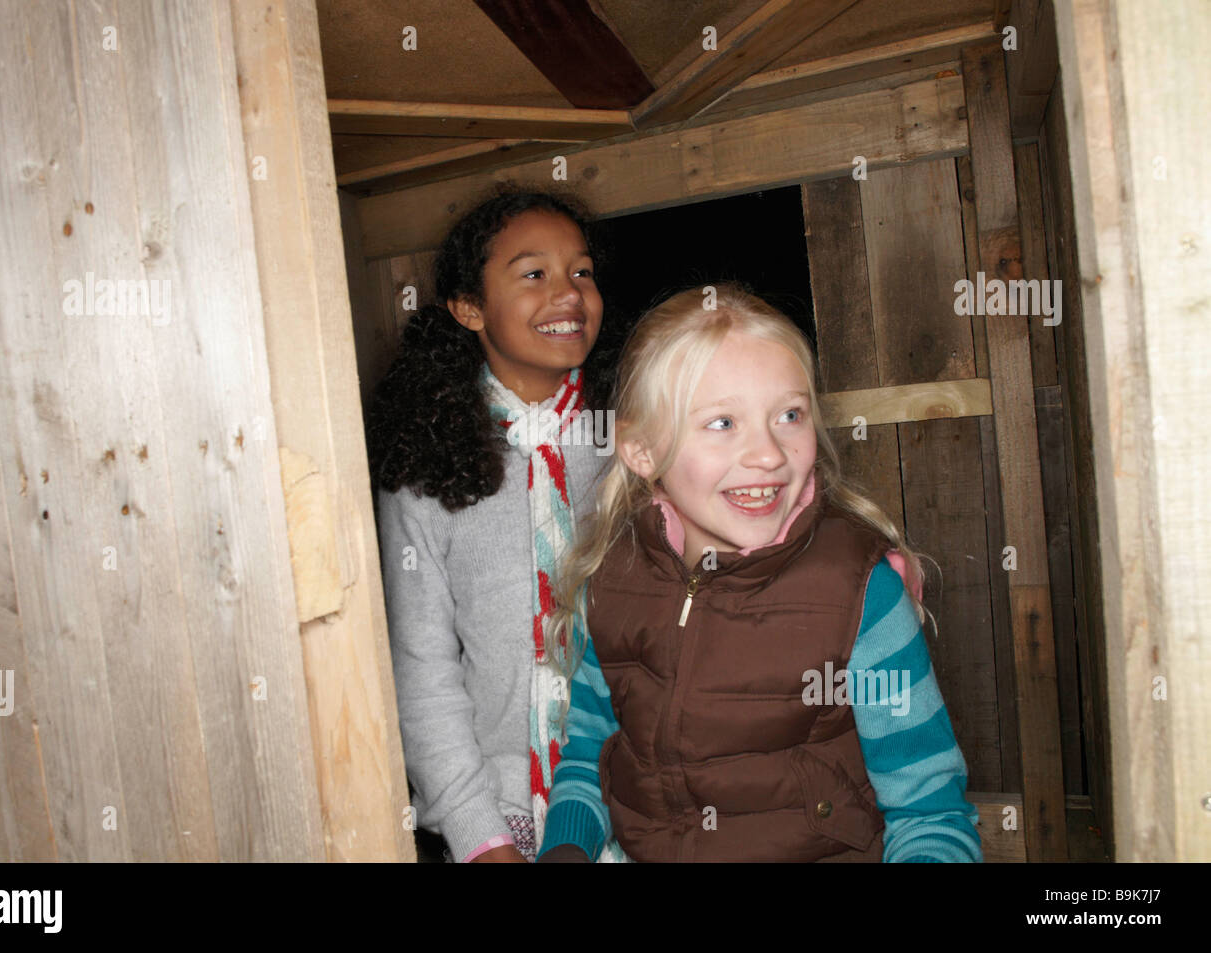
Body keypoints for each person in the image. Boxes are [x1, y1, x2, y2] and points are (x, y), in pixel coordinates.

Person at [536, 284, 983, 863]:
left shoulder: (861, 593)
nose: (770, 454)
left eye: (789, 416)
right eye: (723, 422)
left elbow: (929, 812)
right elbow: (590, 753)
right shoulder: (614, 581)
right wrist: (566, 848)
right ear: (642, 450)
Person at [368, 186, 626, 862]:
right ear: (469, 306)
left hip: (639, 790)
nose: (569, 292)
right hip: (499, 805)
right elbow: (420, 666)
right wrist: (479, 837)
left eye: (582, 271)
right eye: (535, 273)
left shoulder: (633, 439)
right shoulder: (424, 466)